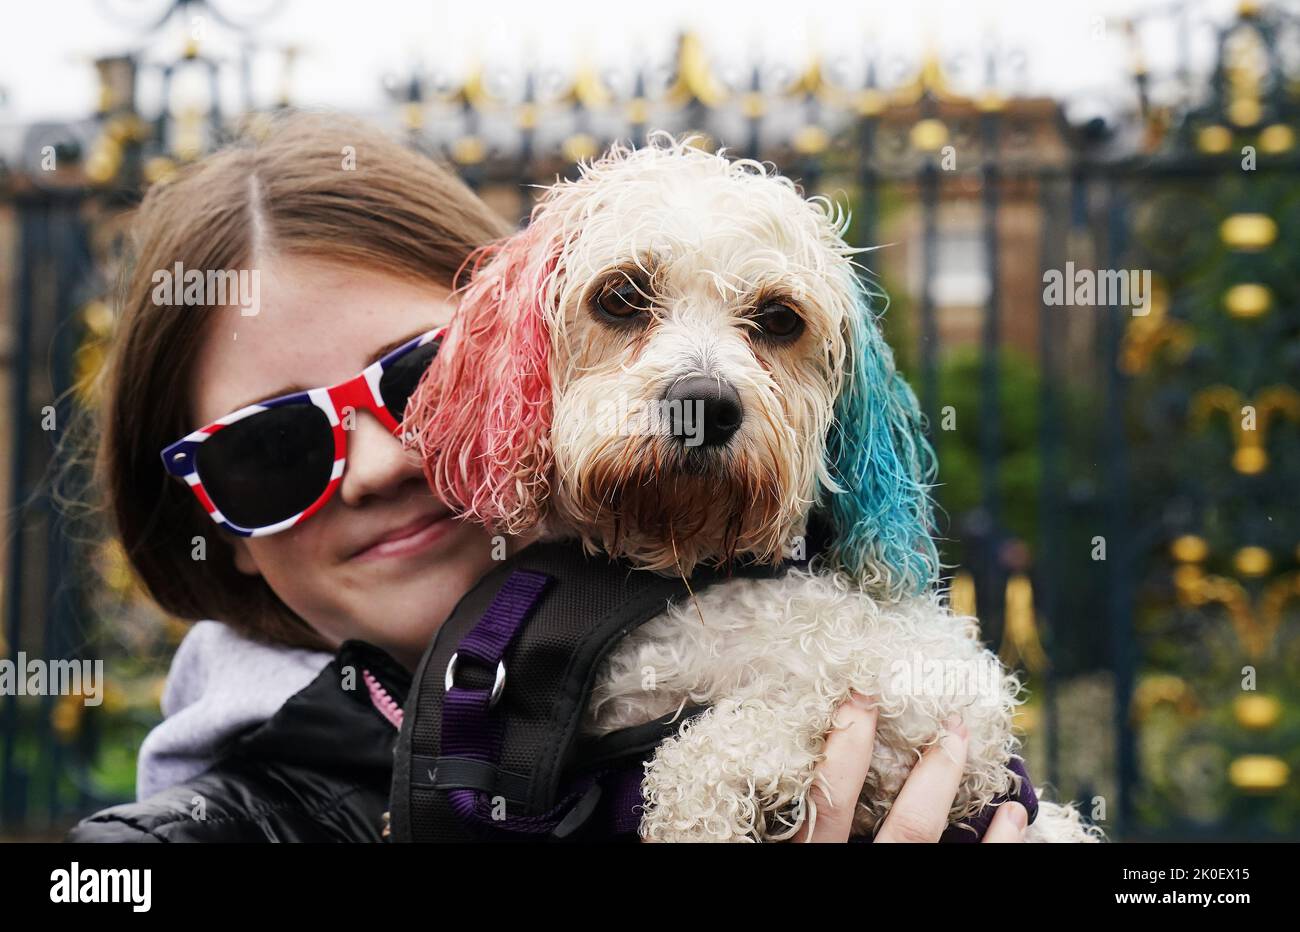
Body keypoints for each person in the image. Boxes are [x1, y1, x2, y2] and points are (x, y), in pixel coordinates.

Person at [65, 112, 1028, 843]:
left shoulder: (836, 656)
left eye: (418, 379)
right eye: (267, 451)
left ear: (520, 351)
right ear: (214, 525)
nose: (380, 466)